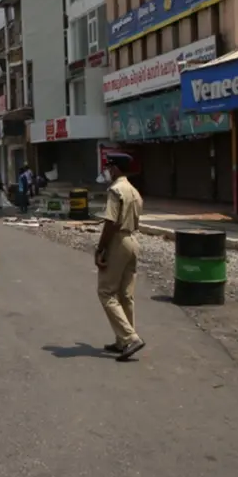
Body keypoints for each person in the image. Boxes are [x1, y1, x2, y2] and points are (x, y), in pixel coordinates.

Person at [96, 152, 145, 361]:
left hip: (118, 241)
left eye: (109, 168)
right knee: (125, 295)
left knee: (106, 292)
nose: (107, 172)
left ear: (115, 169)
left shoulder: (116, 190)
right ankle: (122, 341)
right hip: (132, 240)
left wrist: (101, 249)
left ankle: (130, 338)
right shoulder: (134, 191)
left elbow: (111, 222)